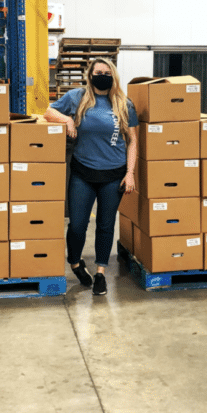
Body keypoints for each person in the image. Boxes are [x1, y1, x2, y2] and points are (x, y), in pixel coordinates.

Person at [44, 57, 138, 296]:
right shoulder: (77, 97)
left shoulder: (124, 104)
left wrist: (130, 173)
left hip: (113, 175)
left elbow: (133, 141)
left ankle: (100, 273)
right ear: (90, 75)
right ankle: (75, 263)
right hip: (82, 172)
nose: (102, 75)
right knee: (77, 225)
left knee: (106, 226)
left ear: (113, 75)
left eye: (107, 72)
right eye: (98, 71)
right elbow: (48, 111)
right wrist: (66, 118)